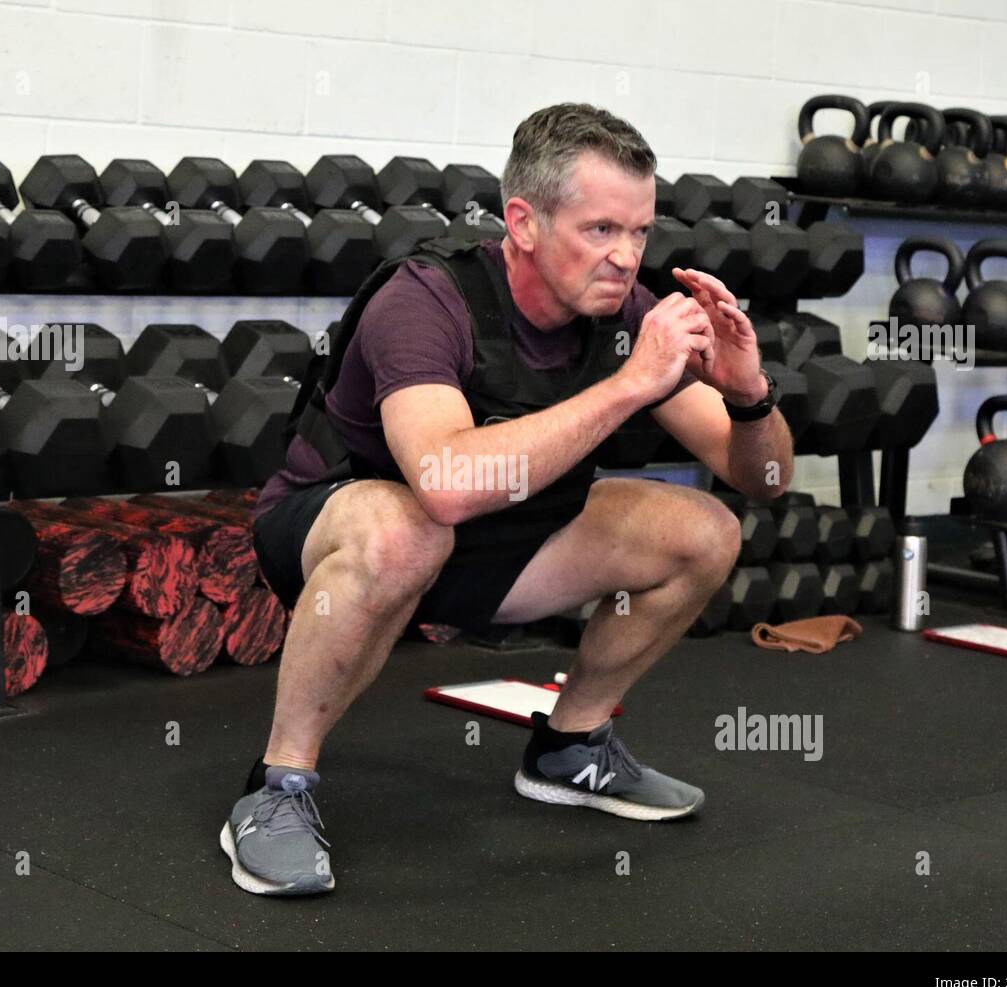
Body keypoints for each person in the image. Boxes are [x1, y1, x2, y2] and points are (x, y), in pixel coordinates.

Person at [221, 103, 794, 897]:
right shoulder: (429, 299)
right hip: (338, 527)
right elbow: (447, 486)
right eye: (600, 231)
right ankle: (278, 785)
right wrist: (631, 386)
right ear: (523, 222)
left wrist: (750, 394)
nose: (627, 259)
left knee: (705, 529)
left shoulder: (623, 316)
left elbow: (764, 479)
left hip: (503, 544)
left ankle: (573, 746)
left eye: (640, 233)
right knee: (406, 529)